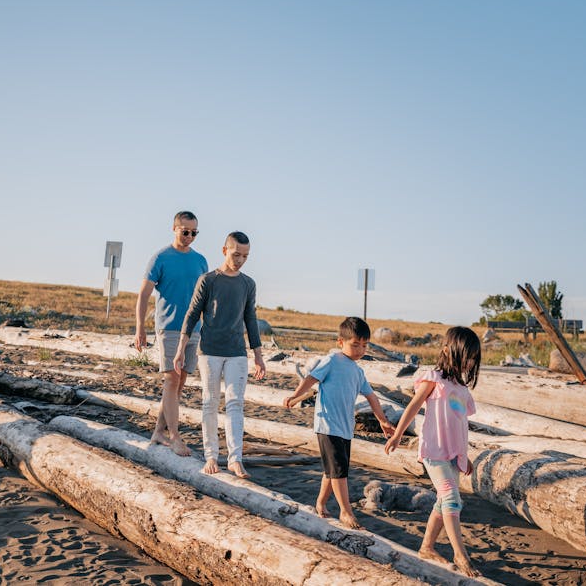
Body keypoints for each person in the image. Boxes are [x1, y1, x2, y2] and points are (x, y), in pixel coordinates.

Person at [384, 326, 482, 578]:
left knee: (442, 501)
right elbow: (414, 406)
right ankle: (461, 554)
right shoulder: (434, 377)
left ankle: (426, 547)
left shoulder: (461, 388)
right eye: (466, 355)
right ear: (448, 351)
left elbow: (460, 424)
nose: (470, 362)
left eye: (473, 357)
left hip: (453, 454)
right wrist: (397, 434)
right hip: (434, 451)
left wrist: (464, 454)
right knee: (452, 499)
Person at [283, 316, 395, 529]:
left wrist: (382, 420)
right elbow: (311, 379)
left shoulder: (358, 371)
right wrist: (294, 395)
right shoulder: (332, 361)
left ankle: (321, 503)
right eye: (355, 344)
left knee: (333, 469)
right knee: (339, 471)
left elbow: (372, 397)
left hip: (345, 428)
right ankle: (345, 511)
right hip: (328, 425)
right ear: (340, 342)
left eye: (364, 345)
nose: (360, 349)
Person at [175, 231, 266, 479]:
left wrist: (258, 355)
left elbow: (251, 319)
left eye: (245, 256)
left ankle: (235, 459)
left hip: (237, 352)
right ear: (225, 250)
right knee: (210, 402)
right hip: (210, 351)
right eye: (236, 254)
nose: (240, 260)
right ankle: (211, 456)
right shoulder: (208, 280)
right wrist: (181, 349)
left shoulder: (248, 284)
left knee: (235, 403)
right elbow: (192, 314)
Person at [135, 211, 208, 457]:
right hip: (169, 328)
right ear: (174, 229)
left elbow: (204, 299)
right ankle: (175, 437)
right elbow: (144, 295)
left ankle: (158, 431)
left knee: (179, 385)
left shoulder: (200, 261)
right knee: (171, 380)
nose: (189, 236)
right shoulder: (160, 258)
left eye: (194, 233)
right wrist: (140, 329)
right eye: (185, 231)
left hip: (194, 330)